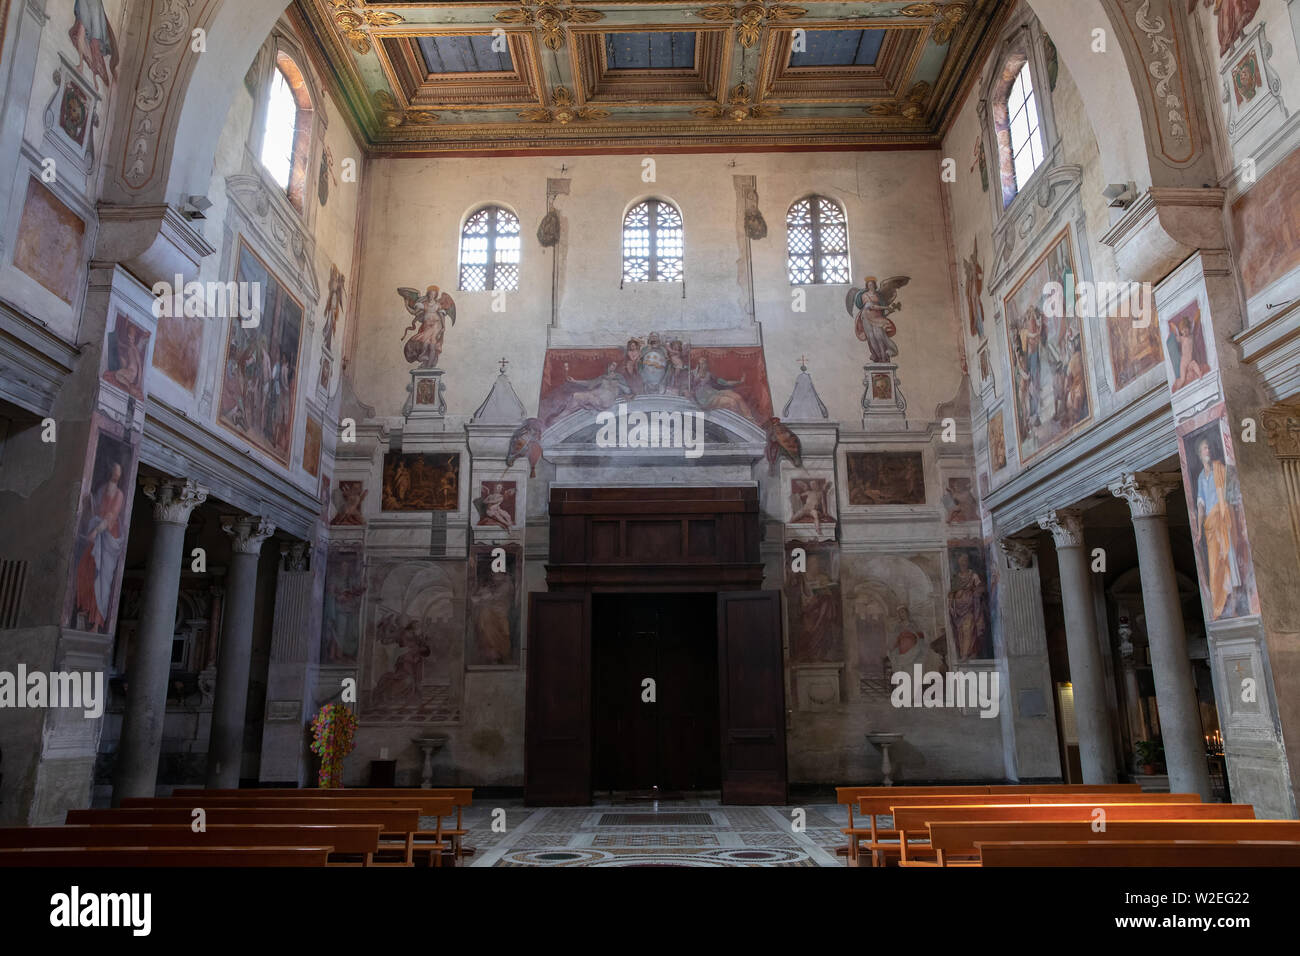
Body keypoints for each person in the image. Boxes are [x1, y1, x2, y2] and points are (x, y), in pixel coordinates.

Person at [1193, 437, 1243, 619]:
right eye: (1205, 448)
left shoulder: (1219, 468)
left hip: (1223, 521)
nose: (1208, 451)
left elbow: (1230, 493)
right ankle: (1221, 607)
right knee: (1215, 567)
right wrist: (1198, 531)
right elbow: (1200, 507)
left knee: (1230, 564)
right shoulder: (1200, 477)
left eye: (1208, 448)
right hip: (1210, 526)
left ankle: (1234, 606)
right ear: (1200, 454)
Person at [74, 460, 126, 632]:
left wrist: (96, 531)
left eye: (119, 473)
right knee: (85, 570)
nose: (116, 475)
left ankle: (96, 623)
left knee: (102, 580)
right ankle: (83, 611)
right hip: (95, 533)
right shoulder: (103, 488)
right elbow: (94, 508)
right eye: (114, 471)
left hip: (108, 536)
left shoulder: (119, 494)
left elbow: (111, 516)